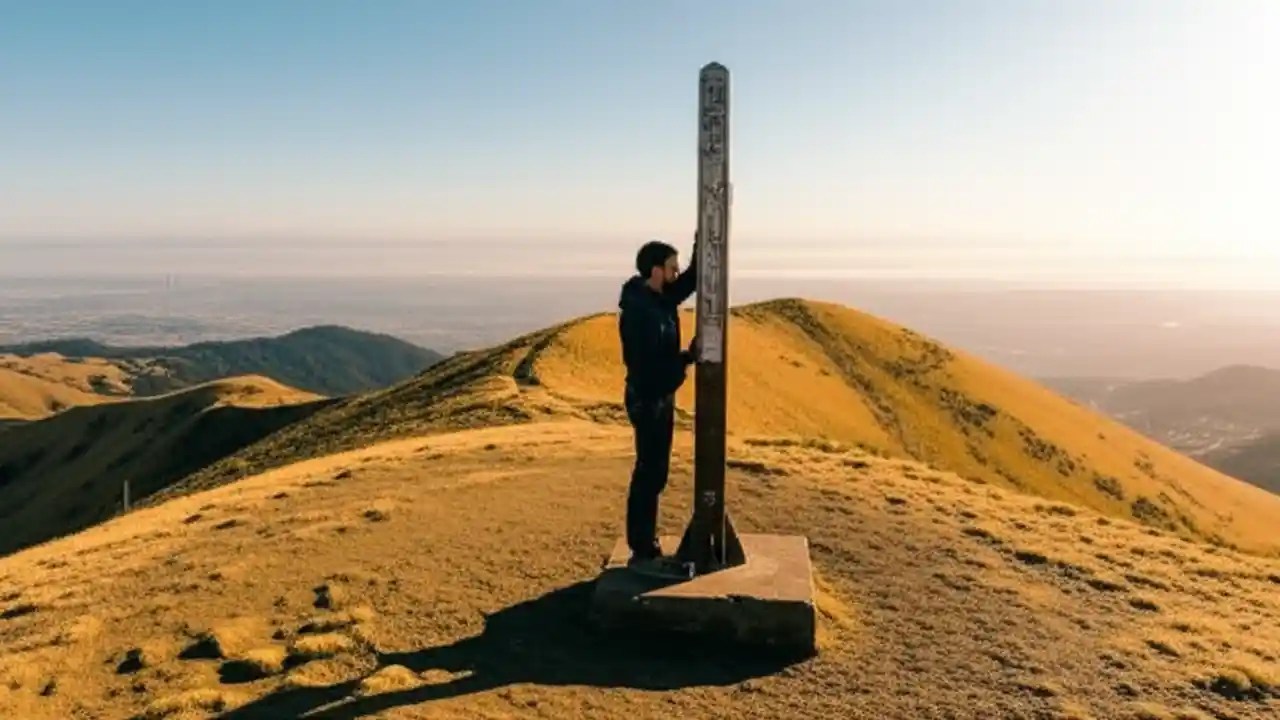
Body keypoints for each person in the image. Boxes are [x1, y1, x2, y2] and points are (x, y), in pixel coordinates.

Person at [617, 238, 699, 568]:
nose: (677, 274)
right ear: (656, 271)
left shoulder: (658, 297)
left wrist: (701, 238)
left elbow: (690, 281)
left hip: (660, 395)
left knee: (656, 472)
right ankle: (641, 545)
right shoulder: (640, 314)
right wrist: (687, 358)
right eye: (672, 268)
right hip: (648, 398)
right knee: (649, 473)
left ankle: (644, 541)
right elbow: (648, 368)